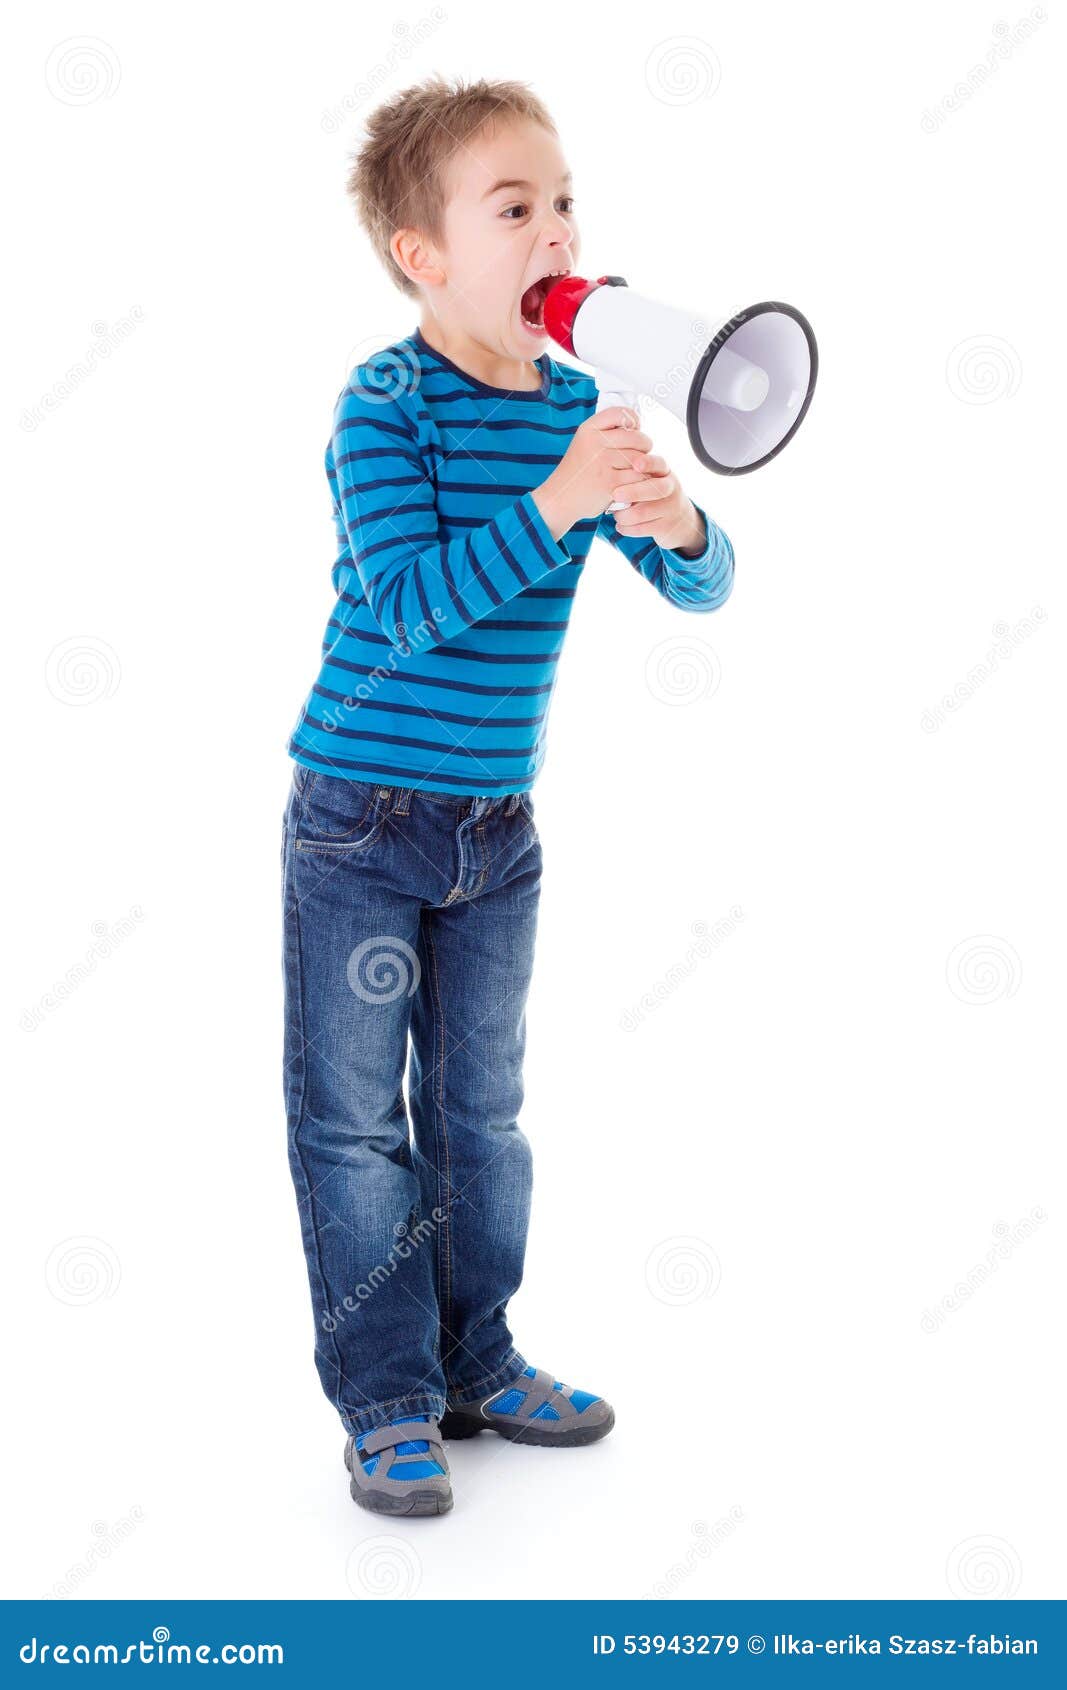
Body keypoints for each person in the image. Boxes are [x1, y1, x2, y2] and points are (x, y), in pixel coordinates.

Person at [281, 74, 735, 1516]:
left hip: (497, 829)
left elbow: (702, 587)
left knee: (482, 1115)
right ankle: (386, 1398)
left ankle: (477, 1356)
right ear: (423, 254)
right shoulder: (384, 405)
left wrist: (675, 517)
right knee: (357, 1123)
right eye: (516, 207)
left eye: (566, 202)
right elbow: (411, 607)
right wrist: (559, 501)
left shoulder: (579, 409)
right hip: (361, 819)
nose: (557, 231)